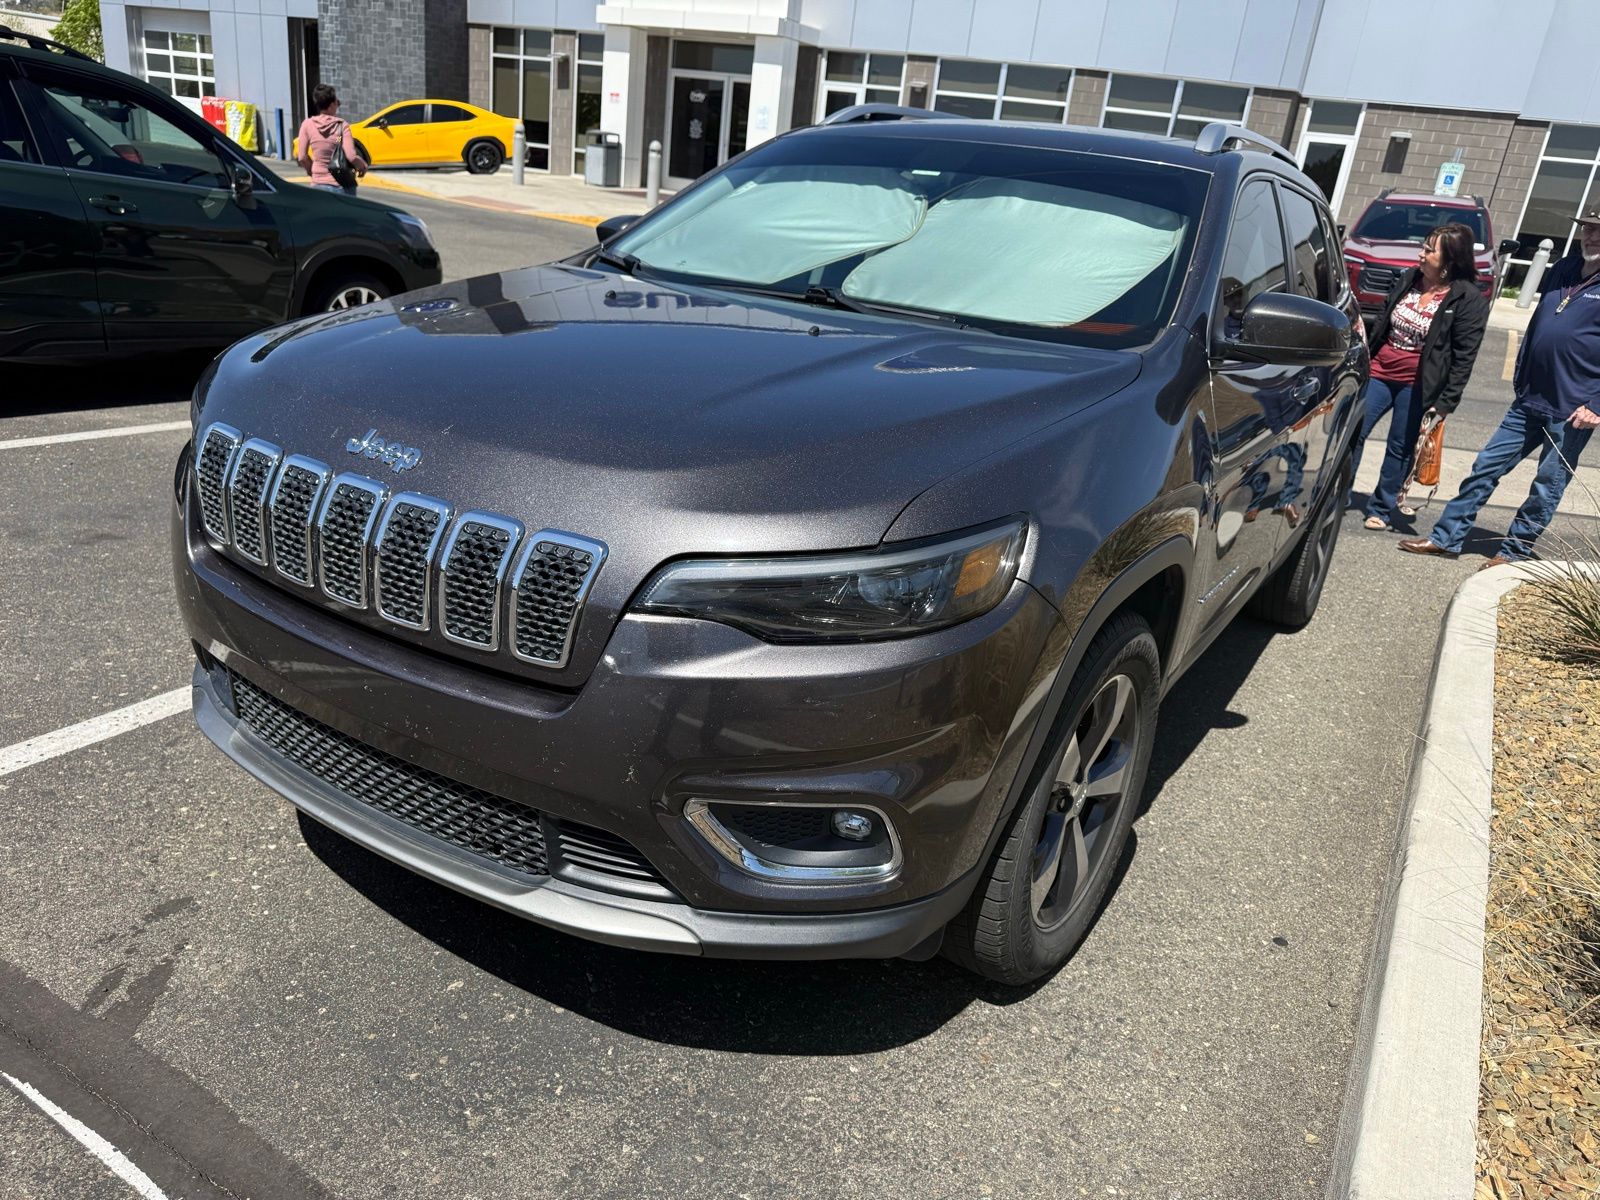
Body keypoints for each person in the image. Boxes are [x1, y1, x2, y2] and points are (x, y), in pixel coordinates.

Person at [1399, 208, 1600, 565]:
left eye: (1598, 230)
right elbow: (1541, 323)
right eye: (1587, 228)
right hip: (1530, 398)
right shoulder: (1564, 269)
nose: (1591, 236)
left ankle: (1514, 551)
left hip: (1573, 409)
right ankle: (1447, 537)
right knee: (1485, 467)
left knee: (1546, 486)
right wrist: (1522, 373)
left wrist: (1597, 405)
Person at [1351, 223, 1489, 530]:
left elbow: (1465, 356)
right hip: (1379, 372)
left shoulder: (1467, 299)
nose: (1421, 254)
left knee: (1400, 446)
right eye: (1423, 247)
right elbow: (1383, 321)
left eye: (1429, 250)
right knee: (1353, 431)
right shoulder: (1409, 279)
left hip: (1417, 384)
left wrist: (1446, 402)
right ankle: (1337, 491)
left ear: (1450, 260)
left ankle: (1381, 508)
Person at [296, 84, 367, 196]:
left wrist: (312, 171)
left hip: (318, 185)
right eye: (336, 102)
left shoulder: (307, 125)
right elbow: (351, 156)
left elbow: (302, 157)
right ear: (331, 105)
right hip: (341, 185)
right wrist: (362, 165)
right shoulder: (341, 126)